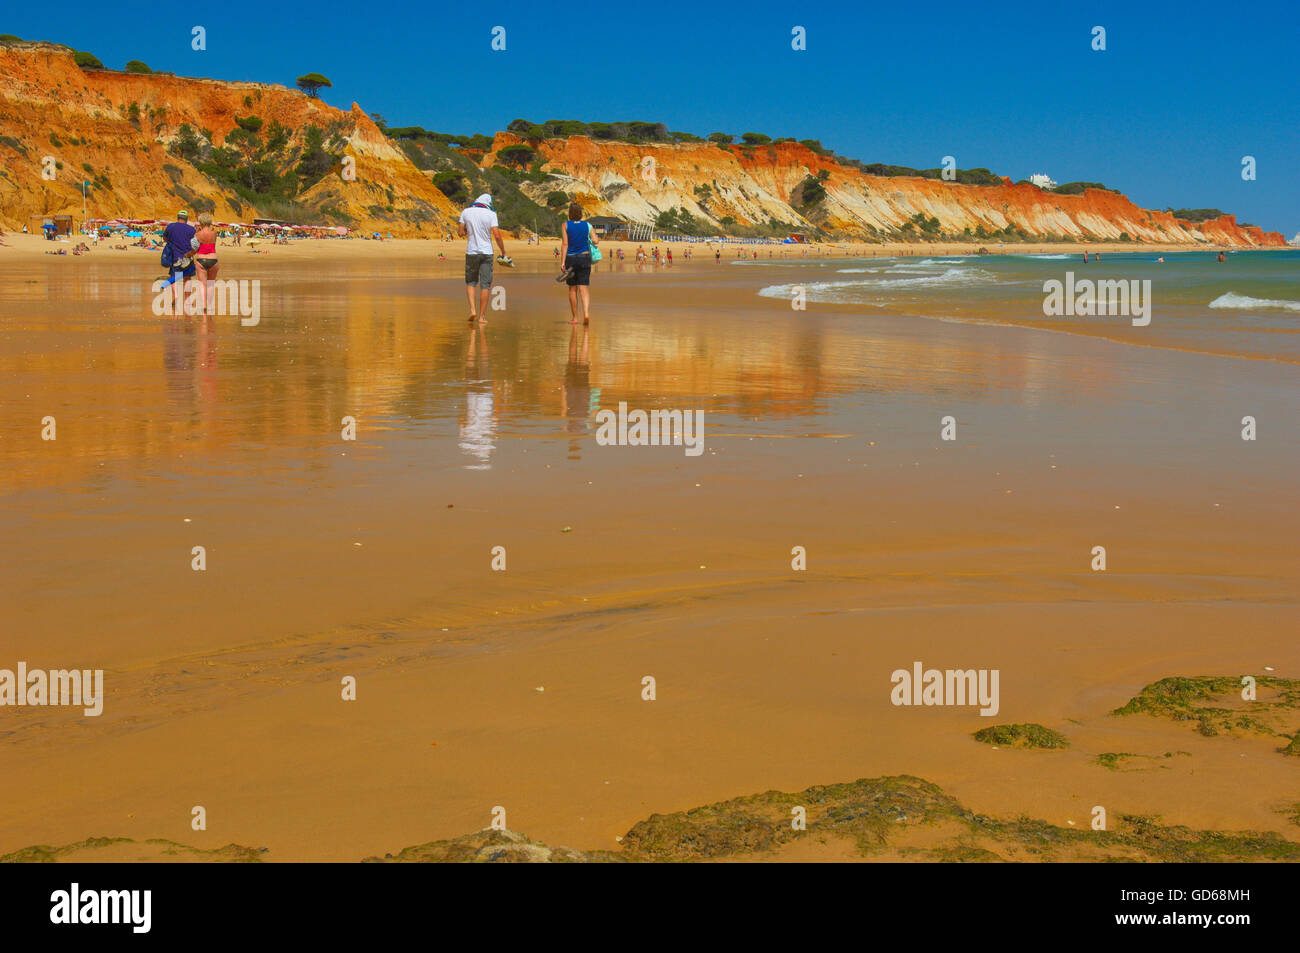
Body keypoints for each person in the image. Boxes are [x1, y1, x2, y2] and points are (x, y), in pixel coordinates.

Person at [458, 193, 507, 323]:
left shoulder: (466, 212)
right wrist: (503, 252)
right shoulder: (491, 214)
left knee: (471, 282)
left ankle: (473, 310)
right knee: (485, 285)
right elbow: (497, 235)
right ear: (488, 204)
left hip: (472, 252)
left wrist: (468, 231)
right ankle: (481, 317)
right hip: (487, 253)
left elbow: (460, 232)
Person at [558, 202, 598, 325]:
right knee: (583, 288)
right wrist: (595, 239)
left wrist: (562, 262)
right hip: (584, 257)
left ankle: (575, 318)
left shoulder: (565, 225)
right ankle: (586, 313)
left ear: (570, 213)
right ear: (581, 213)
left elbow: (565, 244)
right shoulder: (587, 225)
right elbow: (596, 241)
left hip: (571, 258)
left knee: (572, 289)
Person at [192, 212, 219, 312]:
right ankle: (210, 304)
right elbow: (212, 245)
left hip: (201, 259)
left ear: (201, 222)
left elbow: (195, 247)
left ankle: (204, 305)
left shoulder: (197, 234)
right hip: (213, 259)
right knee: (211, 284)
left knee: (202, 284)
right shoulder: (214, 234)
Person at [163, 210, 197, 290]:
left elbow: (165, 238)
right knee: (187, 278)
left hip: (175, 256)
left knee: (174, 277)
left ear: (178, 217)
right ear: (186, 219)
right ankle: (188, 300)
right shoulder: (192, 229)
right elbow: (195, 243)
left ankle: (175, 296)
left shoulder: (170, 226)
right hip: (188, 257)